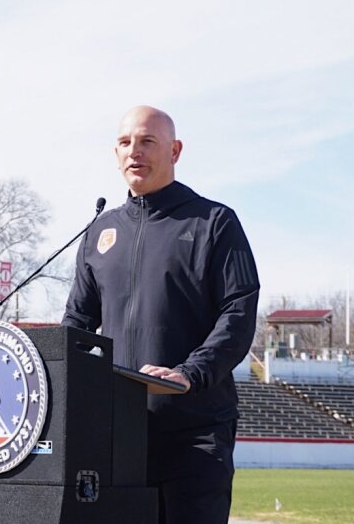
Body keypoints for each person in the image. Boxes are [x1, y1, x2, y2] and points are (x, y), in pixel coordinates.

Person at [62, 106, 259, 523]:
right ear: (115, 153)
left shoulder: (214, 222)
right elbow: (76, 325)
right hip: (117, 436)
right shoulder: (98, 233)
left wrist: (189, 373)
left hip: (195, 432)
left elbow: (238, 313)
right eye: (125, 142)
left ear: (175, 150)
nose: (135, 151)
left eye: (147, 141)